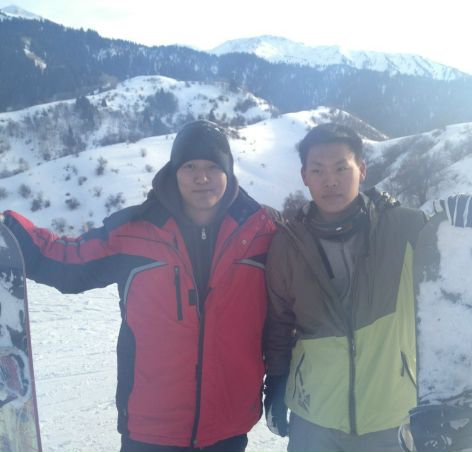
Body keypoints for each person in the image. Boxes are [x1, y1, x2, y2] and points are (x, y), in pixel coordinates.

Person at [3, 120, 278, 452]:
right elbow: (70, 260)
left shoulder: (263, 233)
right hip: (151, 427)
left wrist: (280, 380)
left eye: (212, 166)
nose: (201, 177)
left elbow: (295, 303)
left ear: (228, 172)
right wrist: (12, 234)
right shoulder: (135, 231)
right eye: (190, 166)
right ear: (174, 172)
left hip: (228, 425)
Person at [262, 123, 472, 452]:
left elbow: (452, 288)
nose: (330, 180)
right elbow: (279, 324)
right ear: (304, 176)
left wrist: (466, 235)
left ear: (362, 169)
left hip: (392, 414)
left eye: (341, 168)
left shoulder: (407, 227)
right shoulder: (287, 245)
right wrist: (277, 382)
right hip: (314, 417)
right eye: (318, 170)